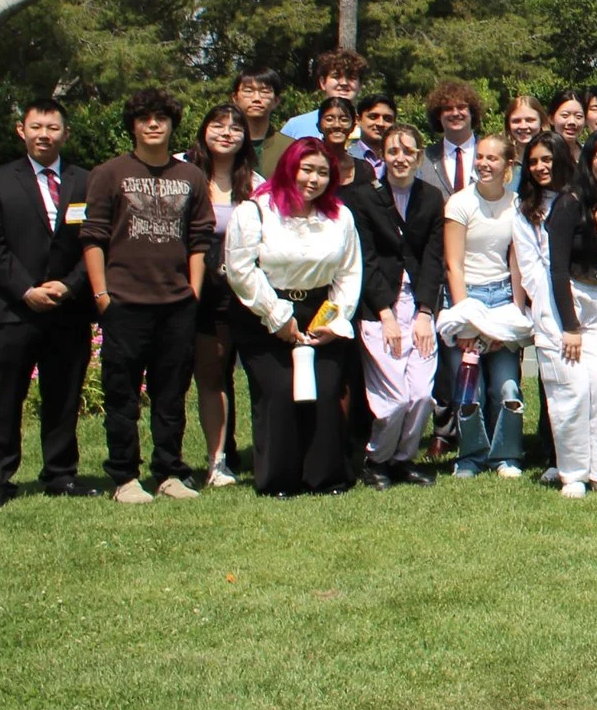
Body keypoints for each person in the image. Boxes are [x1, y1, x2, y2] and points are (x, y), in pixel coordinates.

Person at [81, 88, 217, 505]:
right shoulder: (109, 173)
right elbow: (93, 237)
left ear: (174, 125)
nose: (153, 124)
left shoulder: (190, 176)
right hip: (123, 302)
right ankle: (124, 477)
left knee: (171, 395)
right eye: (144, 119)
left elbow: (199, 238)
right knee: (122, 395)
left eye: (161, 118)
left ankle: (170, 471)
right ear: (134, 126)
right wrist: (102, 294)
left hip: (176, 304)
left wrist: (193, 292)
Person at [0, 98, 98, 507]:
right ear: (21, 131)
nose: (45, 134)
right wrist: (27, 289)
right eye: (36, 127)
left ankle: (60, 474)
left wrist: (70, 284)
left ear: (66, 133)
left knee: (63, 394)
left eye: (53, 127)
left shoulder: (85, 182)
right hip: (15, 309)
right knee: (9, 395)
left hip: (68, 308)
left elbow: (96, 241)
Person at [222, 137, 365, 496]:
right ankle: (279, 480)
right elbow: (241, 270)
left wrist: (334, 320)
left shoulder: (339, 216)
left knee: (327, 389)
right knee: (281, 392)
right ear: (289, 167)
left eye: (322, 172)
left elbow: (349, 272)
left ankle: (326, 476)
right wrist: (277, 316)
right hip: (264, 309)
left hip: (320, 310)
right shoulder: (255, 211)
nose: (313, 180)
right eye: (307, 169)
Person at [524, 132, 597, 498]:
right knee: (571, 389)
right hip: (562, 301)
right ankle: (572, 473)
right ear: (589, 159)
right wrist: (569, 327)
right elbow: (556, 268)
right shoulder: (570, 202)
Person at [346, 122, 444, 487]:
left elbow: (433, 258)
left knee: (420, 394)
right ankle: (377, 460)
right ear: (382, 157)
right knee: (394, 400)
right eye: (393, 152)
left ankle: (403, 460)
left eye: (408, 152)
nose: (400, 158)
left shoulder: (431, 198)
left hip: (418, 308)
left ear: (419, 157)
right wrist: (385, 313)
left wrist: (425, 312)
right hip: (379, 309)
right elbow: (366, 259)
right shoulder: (364, 197)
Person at [439, 134, 527, 479]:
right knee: (469, 387)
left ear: (508, 165)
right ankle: (471, 457)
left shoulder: (517, 204)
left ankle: (506, 455)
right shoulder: (460, 204)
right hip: (466, 298)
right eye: (481, 157)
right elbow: (454, 265)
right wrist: (465, 321)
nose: (484, 164)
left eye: (493, 158)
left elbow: (516, 263)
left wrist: (516, 314)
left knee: (506, 386)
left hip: (504, 298)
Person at [185, 102, 259, 487]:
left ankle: (266, 453)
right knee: (211, 375)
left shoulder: (256, 184)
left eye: (235, 128)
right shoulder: (184, 174)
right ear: (204, 130)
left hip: (246, 294)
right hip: (201, 293)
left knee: (260, 375)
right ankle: (218, 460)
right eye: (218, 125)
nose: (227, 133)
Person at [281, 48, 366, 140]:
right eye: (336, 76)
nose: (344, 83)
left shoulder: (371, 127)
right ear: (322, 82)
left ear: (360, 84)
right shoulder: (296, 127)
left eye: (351, 77)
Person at [424, 80, 485, 196]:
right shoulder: (425, 158)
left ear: (472, 112)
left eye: (461, 107)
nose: (455, 113)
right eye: (448, 108)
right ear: (438, 115)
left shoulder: (491, 153)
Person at [232, 69, 287, 176]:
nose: (256, 98)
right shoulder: (222, 143)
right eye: (248, 91)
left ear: (276, 100)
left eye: (265, 92)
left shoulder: (289, 147)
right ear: (235, 98)